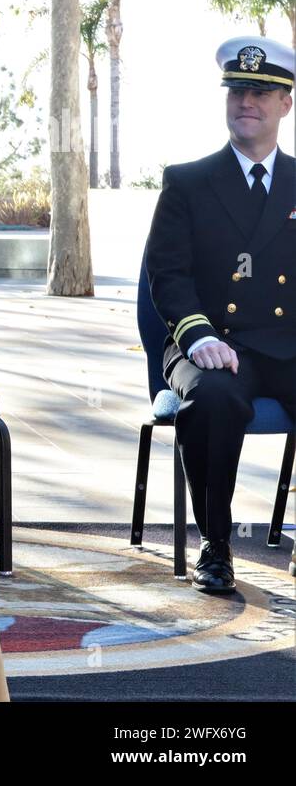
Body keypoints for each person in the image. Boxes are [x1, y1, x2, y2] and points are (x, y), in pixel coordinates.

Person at [145, 35, 294, 592]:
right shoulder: (188, 182)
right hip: (208, 339)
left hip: (285, 342)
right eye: (236, 90)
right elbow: (168, 275)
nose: (245, 102)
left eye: (260, 92)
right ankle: (217, 542)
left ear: (285, 103)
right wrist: (198, 334)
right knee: (212, 397)